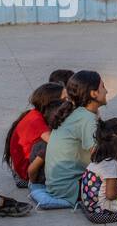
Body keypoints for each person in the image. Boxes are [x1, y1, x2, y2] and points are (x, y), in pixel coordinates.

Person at [44, 70, 107, 203]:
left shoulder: (76, 112)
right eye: (103, 87)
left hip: (57, 186)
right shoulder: (87, 118)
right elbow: (99, 156)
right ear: (93, 93)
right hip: (69, 188)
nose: (106, 91)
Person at [2, 82, 64, 188]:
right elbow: (57, 144)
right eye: (65, 100)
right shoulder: (36, 120)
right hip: (28, 173)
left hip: (26, 165)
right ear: (53, 104)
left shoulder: (36, 113)